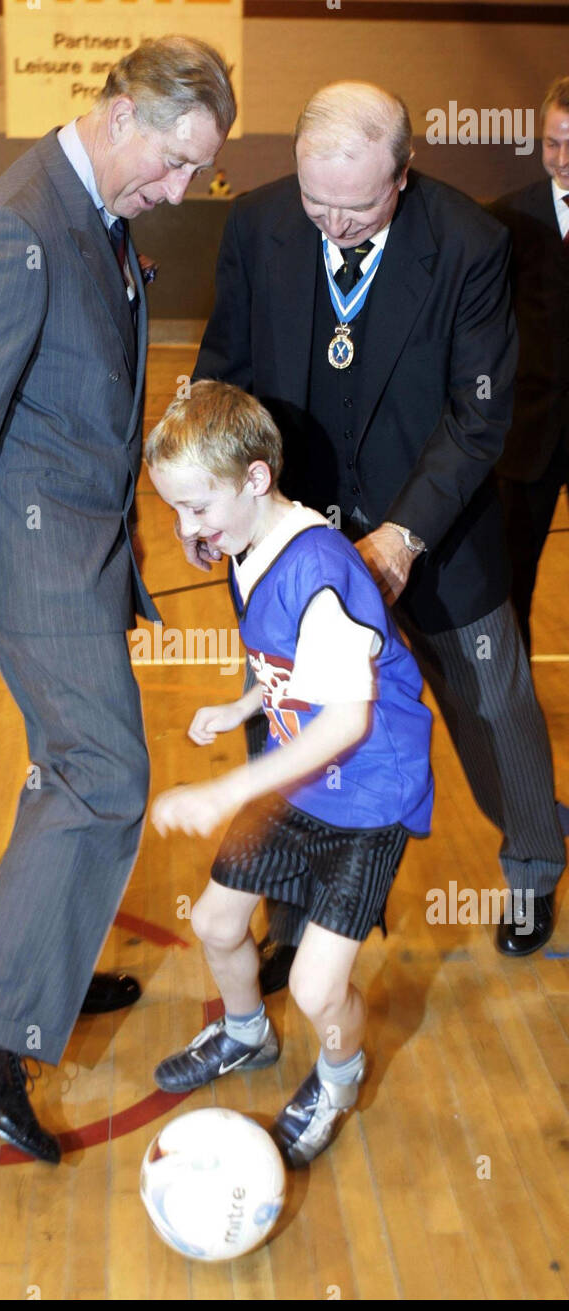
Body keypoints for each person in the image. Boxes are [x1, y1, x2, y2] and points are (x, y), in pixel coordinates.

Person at [0, 37, 235, 1164]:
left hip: (77, 553)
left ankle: (37, 970)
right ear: (122, 112)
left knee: (65, 773)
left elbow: (87, 406)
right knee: (108, 775)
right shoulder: (20, 223)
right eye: (178, 162)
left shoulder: (98, 215)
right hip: (25, 559)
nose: (182, 192)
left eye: (198, 174)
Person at [188, 81, 565, 971]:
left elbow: (478, 419)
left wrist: (401, 536)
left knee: (493, 706)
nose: (331, 224)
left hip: (436, 530)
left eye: (354, 207)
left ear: (402, 175)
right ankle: (293, 917)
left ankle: (533, 868)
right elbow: (221, 376)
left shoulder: (472, 242)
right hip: (294, 541)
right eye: (315, 200)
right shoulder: (256, 226)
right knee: (290, 712)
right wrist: (207, 495)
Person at [146, 380, 433, 1166]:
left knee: (313, 988)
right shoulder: (248, 543)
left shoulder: (319, 571)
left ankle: (340, 1077)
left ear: (257, 479)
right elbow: (289, 665)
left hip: (368, 792)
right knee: (214, 923)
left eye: (198, 508)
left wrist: (227, 787)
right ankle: (246, 1035)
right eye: (172, 510)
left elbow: (347, 718)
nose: (187, 530)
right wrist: (242, 711)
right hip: (302, 777)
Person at [488, 77, 569, 658]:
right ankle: (513, 700)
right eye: (552, 143)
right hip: (528, 439)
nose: (562, 160)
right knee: (512, 578)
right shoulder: (509, 219)